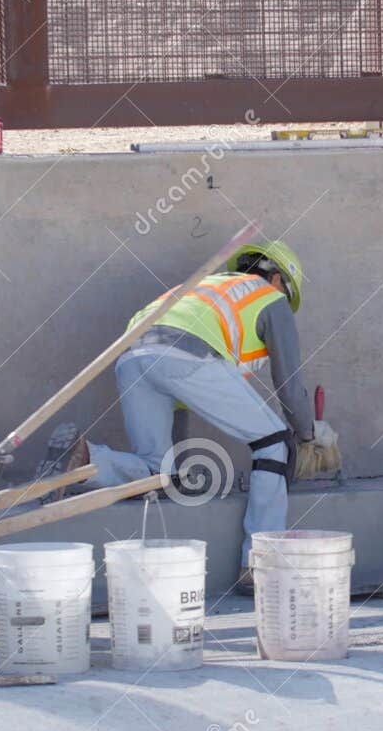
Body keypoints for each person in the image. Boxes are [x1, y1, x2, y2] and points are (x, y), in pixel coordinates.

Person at [69, 240, 337, 586]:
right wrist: (307, 433)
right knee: (274, 443)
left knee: (161, 470)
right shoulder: (270, 299)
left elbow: (179, 390)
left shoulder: (201, 290)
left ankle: (89, 461)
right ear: (278, 279)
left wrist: (178, 468)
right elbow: (288, 384)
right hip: (185, 356)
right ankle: (261, 565)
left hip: (133, 359)